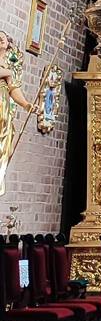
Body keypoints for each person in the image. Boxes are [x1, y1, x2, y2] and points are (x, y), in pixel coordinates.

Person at [0, 30, 33, 197]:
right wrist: (7, 73)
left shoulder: (8, 64)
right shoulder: (7, 70)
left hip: (4, 108)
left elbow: (14, 89)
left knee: (6, 139)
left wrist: (26, 105)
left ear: (8, 44)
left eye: (3, 38)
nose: (0, 40)